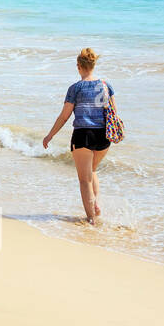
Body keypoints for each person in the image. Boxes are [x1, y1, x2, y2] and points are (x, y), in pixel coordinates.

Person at [41, 48, 115, 225]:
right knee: (92, 171)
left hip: (83, 135)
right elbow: (113, 114)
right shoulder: (106, 86)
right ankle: (96, 205)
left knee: (84, 180)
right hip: (103, 136)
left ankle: (91, 220)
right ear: (93, 65)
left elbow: (64, 116)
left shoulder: (75, 88)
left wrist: (50, 135)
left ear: (79, 66)